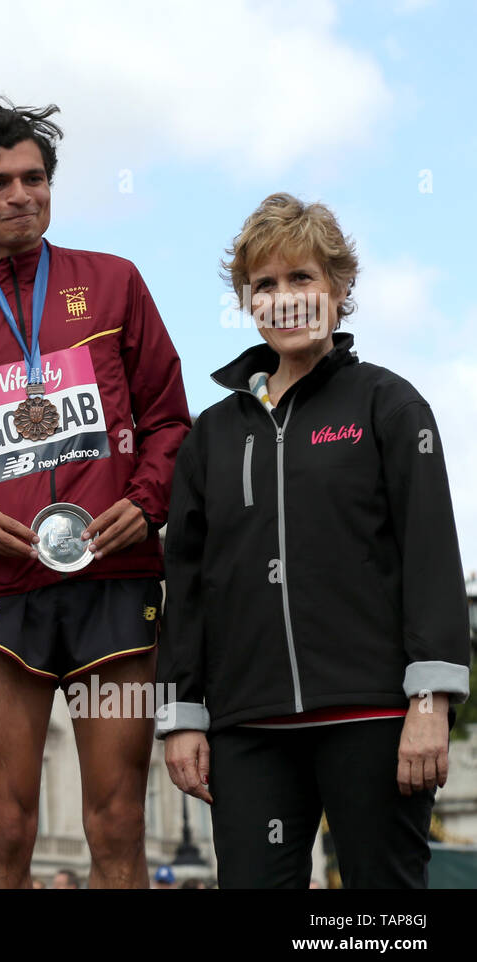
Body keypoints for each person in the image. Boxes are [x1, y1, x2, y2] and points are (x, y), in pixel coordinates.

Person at [0, 99, 191, 889]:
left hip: (114, 582)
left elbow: (171, 420)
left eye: (34, 178)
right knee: (3, 823)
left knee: (119, 818)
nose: (19, 194)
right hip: (3, 596)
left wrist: (150, 499)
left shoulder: (114, 282)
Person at [157, 193, 471, 889]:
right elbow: (187, 583)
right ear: (248, 300)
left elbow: (431, 557)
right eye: (265, 284)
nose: (285, 298)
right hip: (248, 730)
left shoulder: (389, 405)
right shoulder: (211, 434)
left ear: (339, 289)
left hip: (375, 715)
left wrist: (430, 702)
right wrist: (182, 715)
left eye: (303, 278)